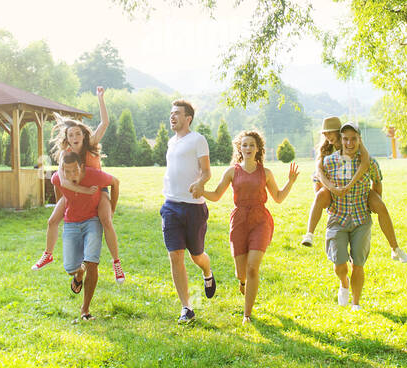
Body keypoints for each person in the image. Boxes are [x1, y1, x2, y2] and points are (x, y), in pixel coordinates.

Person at [201, 130, 298, 322]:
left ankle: (247, 314)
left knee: (253, 267)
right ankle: (243, 282)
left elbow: (278, 198)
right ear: (240, 148)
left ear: (258, 148)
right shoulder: (231, 172)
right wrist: (200, 191)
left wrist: (291, 182)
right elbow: (216, 195)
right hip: (239, 221)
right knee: (241, 272)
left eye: (252, 145)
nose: (248, 148)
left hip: (260, 220)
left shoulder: (266, 173)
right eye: (244, 145)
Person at [32, 86, 125, 282]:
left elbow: (105, 122)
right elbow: (61, 180)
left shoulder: (91, 144)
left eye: (77, 134)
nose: (74, 138)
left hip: (98, 189)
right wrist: (68, 198)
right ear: (67, 139)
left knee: (106, 221)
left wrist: (100, 98)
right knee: (52, 221)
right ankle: (48, 254)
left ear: (83, 135)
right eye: (71, 135)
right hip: (76, 191)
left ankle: (116, 263)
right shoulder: (67, 155)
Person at [300, 116, 407, 263]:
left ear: (338, 132)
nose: (326, 136)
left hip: (359, 190)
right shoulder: (326, 151)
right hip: (333, 192)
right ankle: (309, 234)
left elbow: (367, 163)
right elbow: (318, 174)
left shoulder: (353, 142)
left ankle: (395, 249)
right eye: (324, 133)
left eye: (329, 132)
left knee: (380, 205)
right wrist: (328, 192)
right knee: (320, 195)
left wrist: (372, 199)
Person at [322, 123, 390, 311]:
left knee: (358, 264)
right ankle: (344, 283)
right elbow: (318, 181)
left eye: (353, 138)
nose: (349, 143)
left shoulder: (370, 162)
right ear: (340, 140)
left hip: (361, 219)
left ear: (360, 140)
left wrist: (375, 201)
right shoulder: (330, 162)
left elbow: (377, 182)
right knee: (339, 265)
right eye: (345, 139)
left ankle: (356, 303)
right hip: (338, 218)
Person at [161, 99, 216, 322]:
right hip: (171, 205)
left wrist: (200, 183)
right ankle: (187, 308)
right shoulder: (170, 142)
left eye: (177, 113)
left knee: (196, 256)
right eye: (171, 113)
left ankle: (207, 271)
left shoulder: (197, 140)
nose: (172, 117)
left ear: (188, 118)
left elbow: (207, 172)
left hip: (194, 207)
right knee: (175, 255)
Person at [51, 150, 119, 322]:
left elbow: (115, 182)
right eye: (68, 171)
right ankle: (78, 272)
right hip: (71, 222)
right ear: (62, 171)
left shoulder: (94, 175)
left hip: (92, 221)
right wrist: (65, 203)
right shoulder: (58, 178)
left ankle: (85, 309)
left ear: (81, 167)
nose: (72, 174)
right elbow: (58, 189)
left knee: (92, 262)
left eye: (75, 170)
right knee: (70, 268)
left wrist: (112, 209)